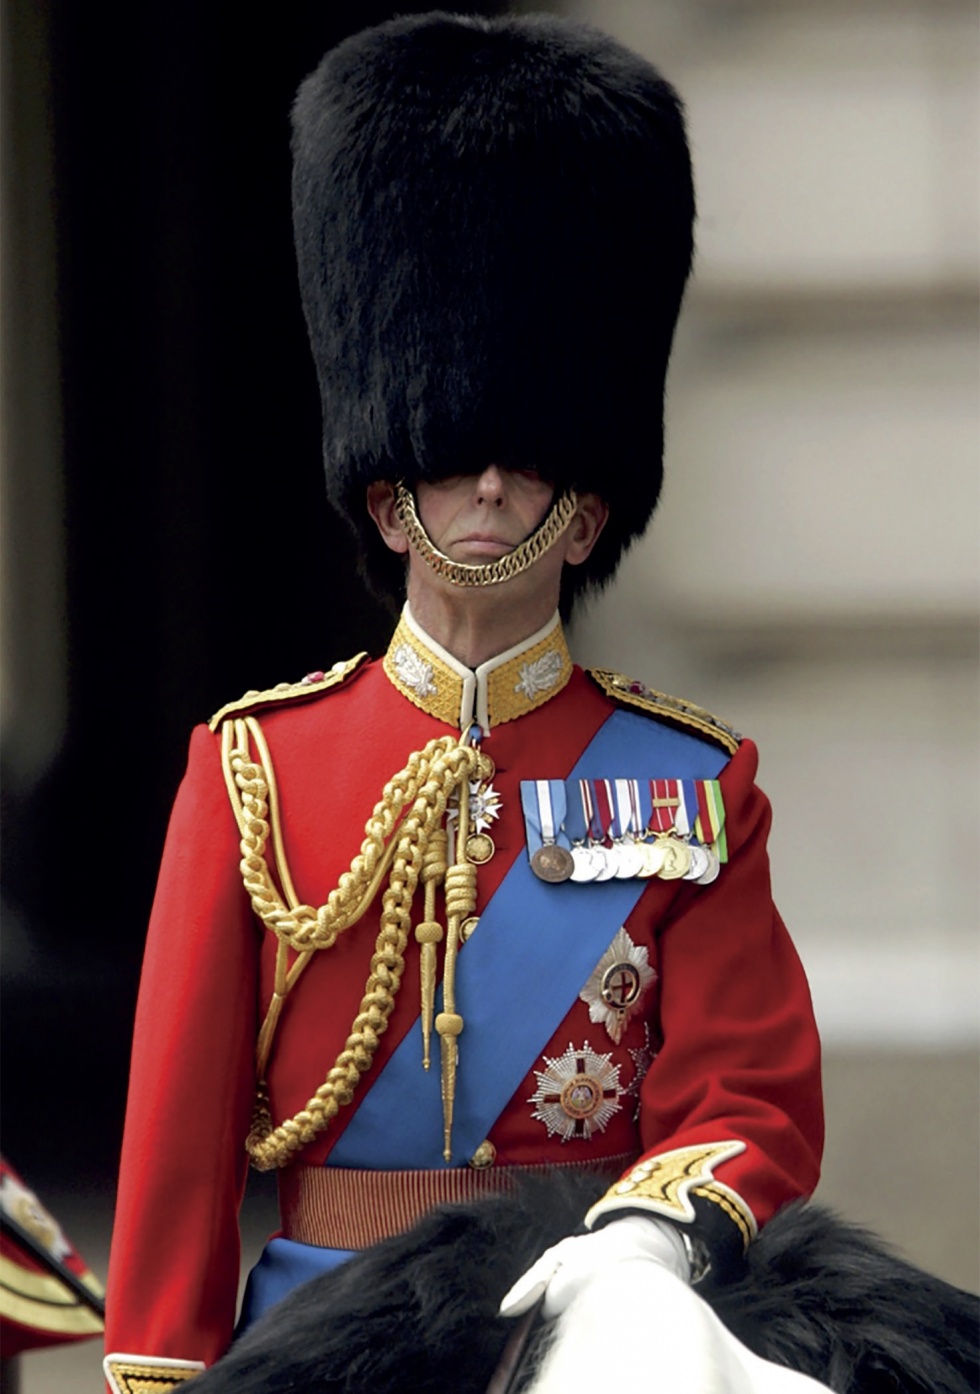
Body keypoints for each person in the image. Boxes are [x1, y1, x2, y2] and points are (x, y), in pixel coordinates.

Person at [104, 13, 825, 1392]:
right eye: (450, 453)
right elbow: (177, 1143)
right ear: (391, 498)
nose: (490, 482)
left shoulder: (694, 784)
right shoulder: (253, 768)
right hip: (328, 1328)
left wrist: (643, 1244)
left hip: (593, 1299)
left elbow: (749, 1090)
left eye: (530, 458)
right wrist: (161, 1373)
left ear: (586, 510)